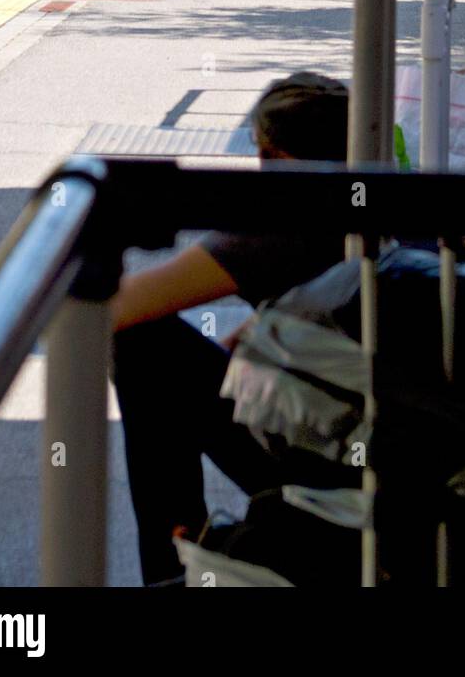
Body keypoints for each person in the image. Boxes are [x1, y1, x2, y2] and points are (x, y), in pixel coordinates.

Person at [110, 72, 351, 584]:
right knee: (174, 366)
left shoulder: (281, 224)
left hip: (336, 463)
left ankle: (170, 568)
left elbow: (121, 308)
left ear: (279, 159)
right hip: (410, 455)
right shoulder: (377, 196)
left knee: (141, 347)